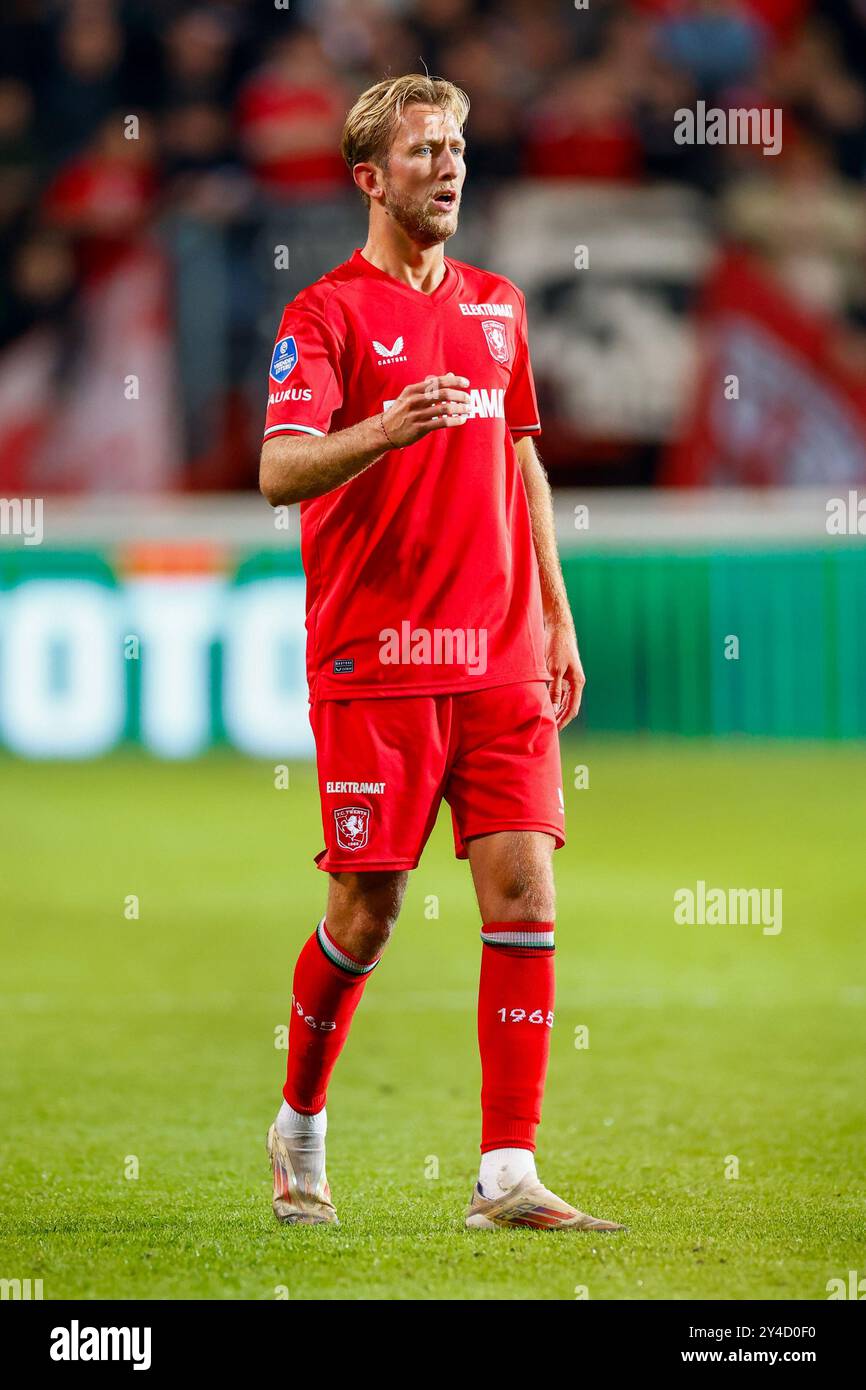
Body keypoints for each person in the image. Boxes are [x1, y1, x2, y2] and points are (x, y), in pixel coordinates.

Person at [259, 73, 623, 1233]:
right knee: (366, 908)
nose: (448, 165)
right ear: (370, 177)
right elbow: (278, 470)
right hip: (377, 657)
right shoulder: (321, 315)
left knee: (522, 889)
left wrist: (556, 613)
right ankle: (300, 1124)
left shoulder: (497, 306)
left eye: (457, 145)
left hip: (500, 655)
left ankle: (506, 1171)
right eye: (423, 150)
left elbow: (521, 461)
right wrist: (383, 427)